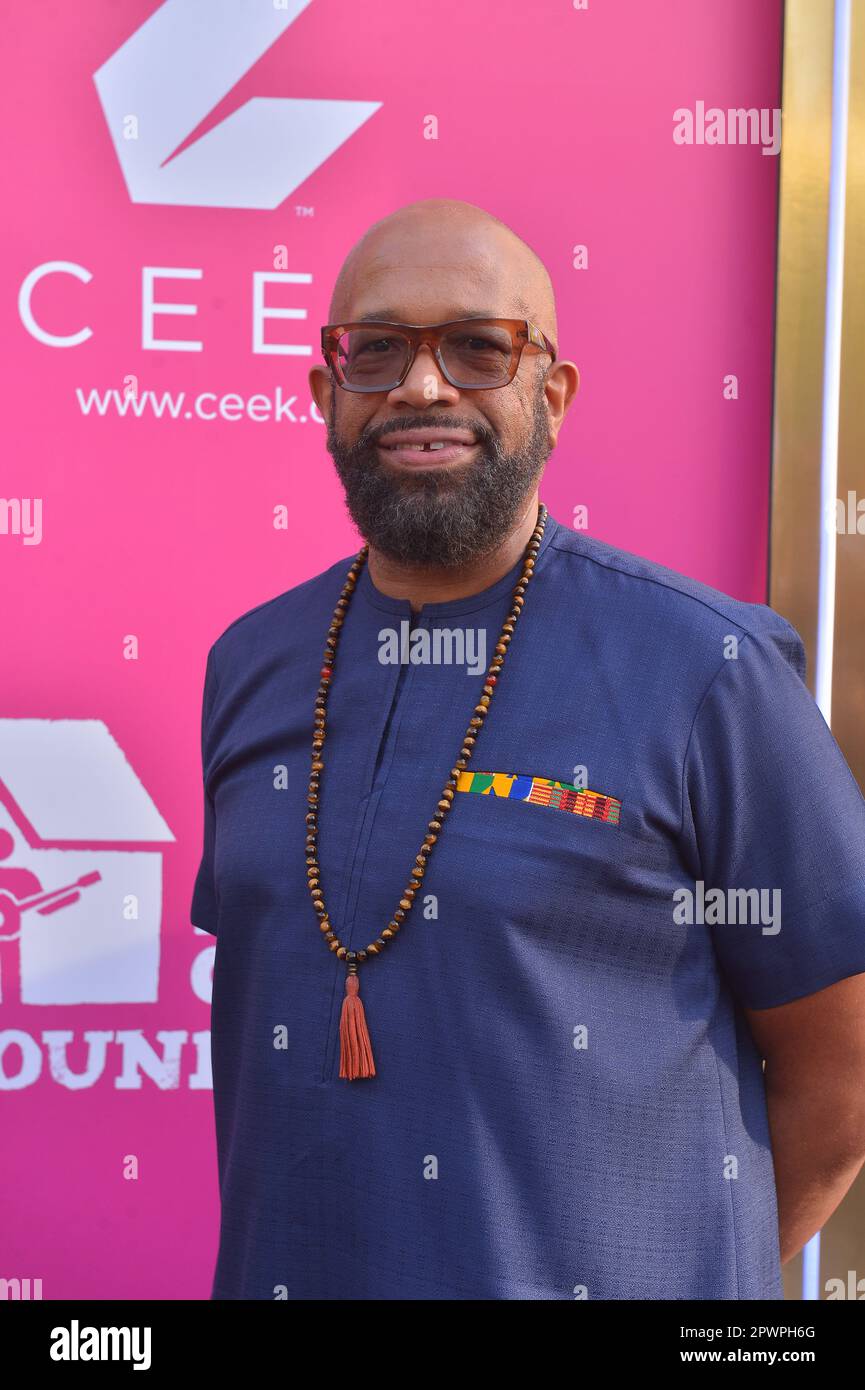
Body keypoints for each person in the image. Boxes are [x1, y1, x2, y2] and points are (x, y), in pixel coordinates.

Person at [191, 198, 865, 1300]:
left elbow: (840, 1082)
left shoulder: (705, 669)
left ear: (550, 393)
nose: (421, 387)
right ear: (325, 392)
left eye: (475, 347)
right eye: (376, 350)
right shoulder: (252, 663)